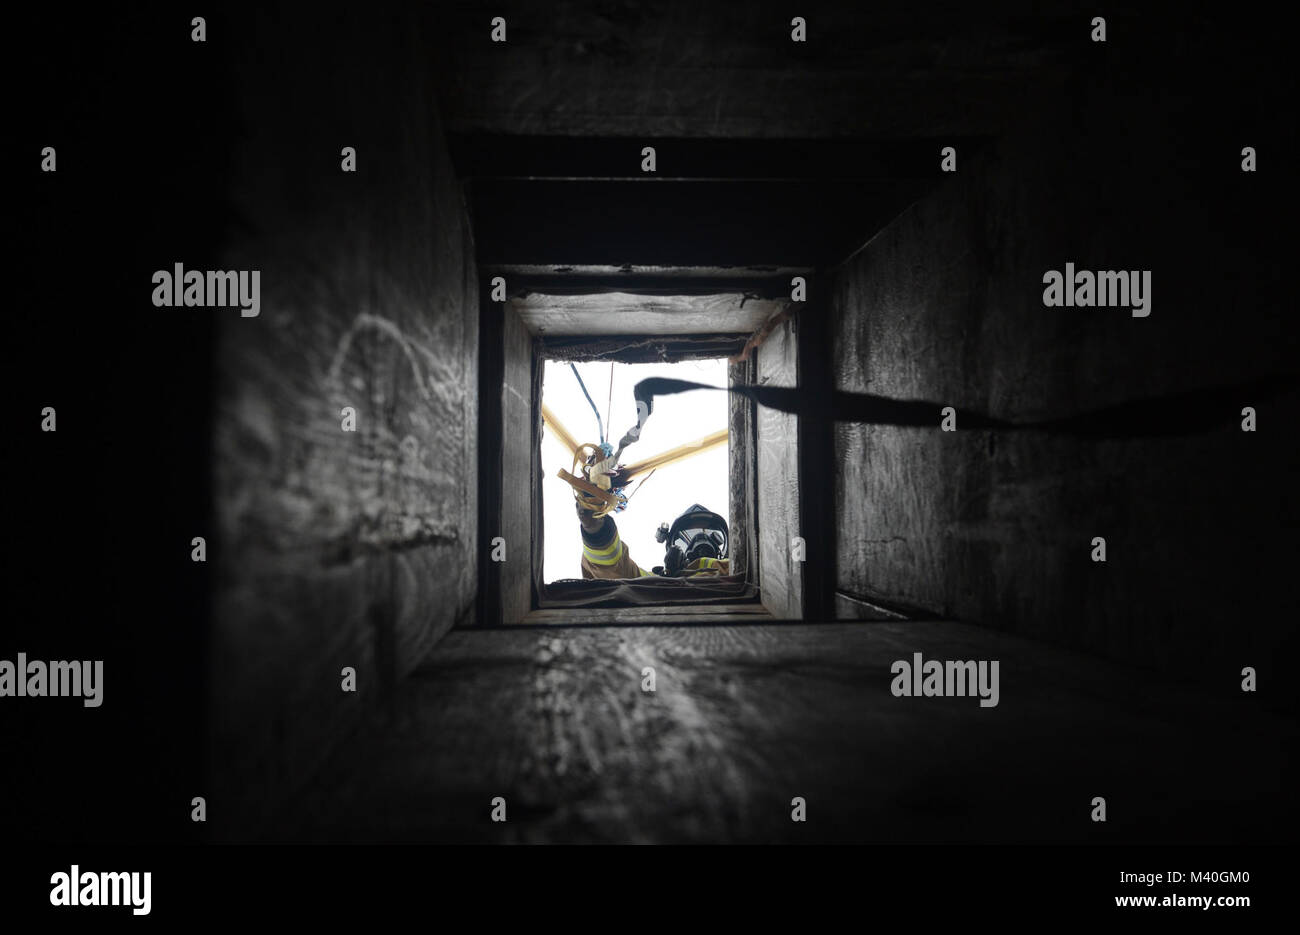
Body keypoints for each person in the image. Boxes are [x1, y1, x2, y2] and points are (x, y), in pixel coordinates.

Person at [577, 501, 730, 579]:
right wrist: (598, 529)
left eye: (712, 534)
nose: (699, 541)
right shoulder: (656, 581)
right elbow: (613, 570)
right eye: (686, 538)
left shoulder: (740, 567)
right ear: (670, 546)